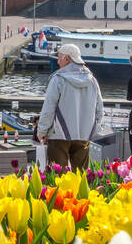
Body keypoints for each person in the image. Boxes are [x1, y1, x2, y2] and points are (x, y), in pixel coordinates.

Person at [36, 43, 104, 172]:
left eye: (60, 57)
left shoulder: (58, 79)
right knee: (81, 176)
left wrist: (42, 131)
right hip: (83, 134)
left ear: (67, 59)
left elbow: (49, 108)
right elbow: (99, 109)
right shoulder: (92, 80)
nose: (57, 61)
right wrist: (94, 127)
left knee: (58, 177)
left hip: (59, 134)